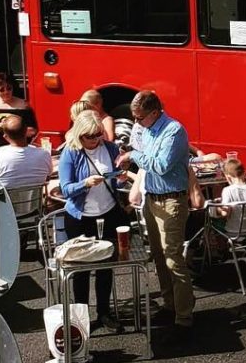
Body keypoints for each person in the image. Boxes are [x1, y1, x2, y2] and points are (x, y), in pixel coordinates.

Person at [116, 89, 194, 340]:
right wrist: (129, 157)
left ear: (154, 112)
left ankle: (184, 316)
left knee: (173, 258)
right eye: (134, 117)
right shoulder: (144, 128)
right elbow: (140, 154)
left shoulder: (174, 131)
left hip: (171, 201)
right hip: (152, 198)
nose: (136, 122)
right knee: (159, 256)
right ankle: (170, 305)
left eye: (139, 118)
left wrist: (133, 156)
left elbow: (160, 166)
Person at [58, 110, 129, 330]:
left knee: (105, 266)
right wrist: (85, 183)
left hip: (108, 213)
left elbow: (116, 181)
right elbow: (65, 189)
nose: (96, 139)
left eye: (99, 134)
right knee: (81, 270)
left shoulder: (110, 148)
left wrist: (121, 178)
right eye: (90, 136)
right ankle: (81, 317)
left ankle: (104, 313)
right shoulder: (70, 152)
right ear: (80, 135)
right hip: (80, 218)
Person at [0, 114, 53, 188]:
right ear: (26, 132)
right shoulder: (44, 154)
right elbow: (49, 174)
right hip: (35, 195)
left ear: (5, 137)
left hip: (6, 195)